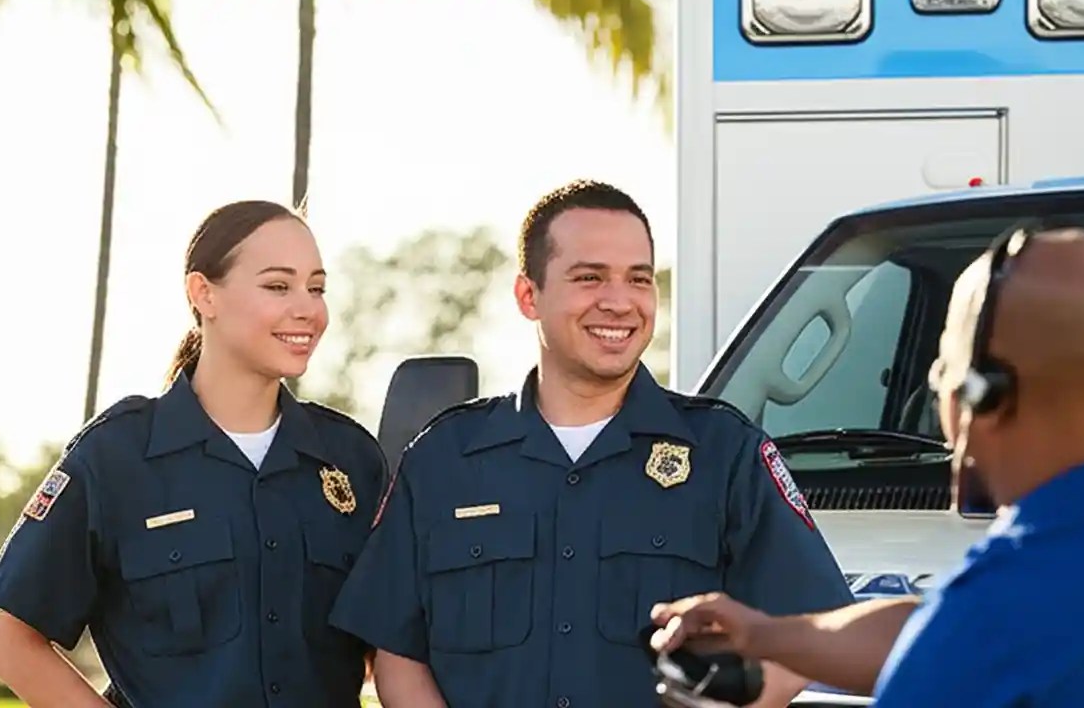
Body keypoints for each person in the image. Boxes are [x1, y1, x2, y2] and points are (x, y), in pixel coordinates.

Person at [328, 179, 856, 708]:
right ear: (528, 295)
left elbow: (806, 635)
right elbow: (395, 651)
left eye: (639, 279)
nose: (620, 302)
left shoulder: (724, 454)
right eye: (590, 277)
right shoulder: (444, 458)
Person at [647, 226, 1084, 706]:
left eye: (941, 376)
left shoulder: (996, 619)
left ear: (984, 398)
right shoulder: (1076, 575)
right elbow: (928, 625)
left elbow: (958, 635)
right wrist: (764, 634)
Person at [0, 200, 387, 707]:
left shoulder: (352, 461)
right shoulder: (117, 458)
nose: (308, 308)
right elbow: (14, 645)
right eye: (278, 286)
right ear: (203, 293)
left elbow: (388, 646)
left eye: (317, 287)